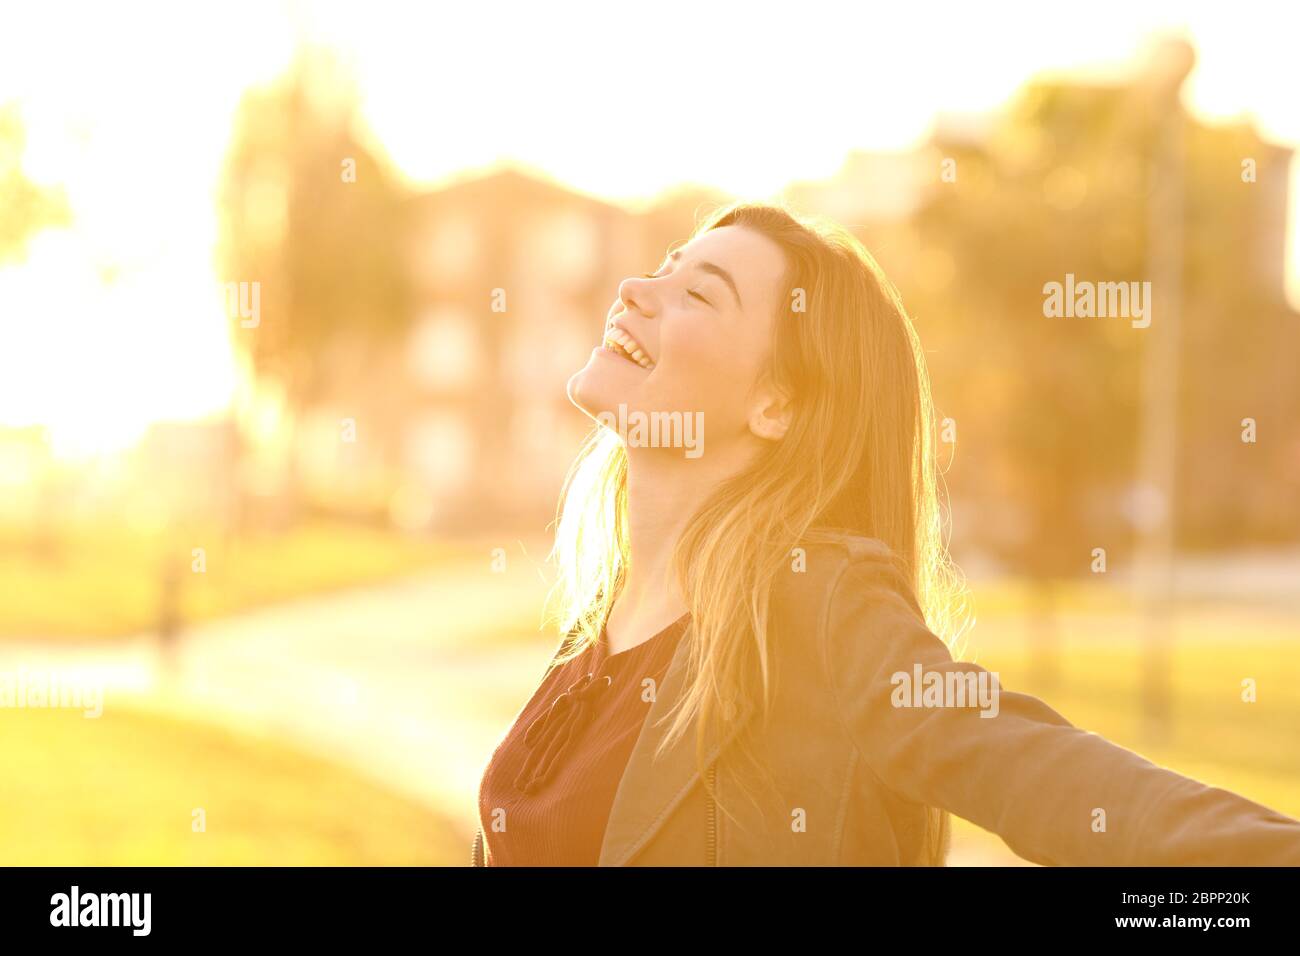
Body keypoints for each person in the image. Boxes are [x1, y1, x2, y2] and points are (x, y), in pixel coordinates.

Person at [474, 201, 1300, 866]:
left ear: (778, 405)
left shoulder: (815, 603)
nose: (633, 288)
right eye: (665, 268)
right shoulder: (600, 626)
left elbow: (1027, 764)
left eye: (698, 294)